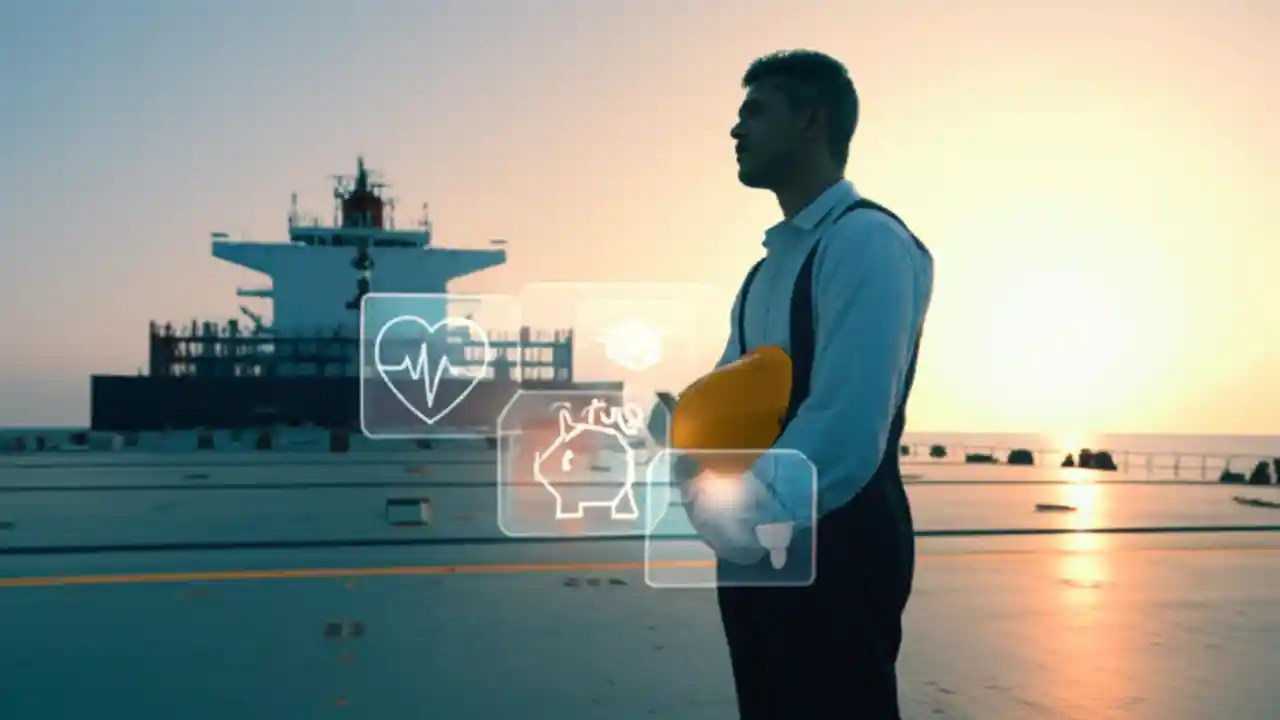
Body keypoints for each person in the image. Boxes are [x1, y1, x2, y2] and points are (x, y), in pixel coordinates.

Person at [697, 49, 935, 719]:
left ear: (810, 120)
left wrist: (732, 512)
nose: (736, 130)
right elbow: (721, 406)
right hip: (756, 543)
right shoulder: (764, 272)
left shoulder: (867, 243)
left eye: (754, 111)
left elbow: (846, 427)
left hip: (839, 539)